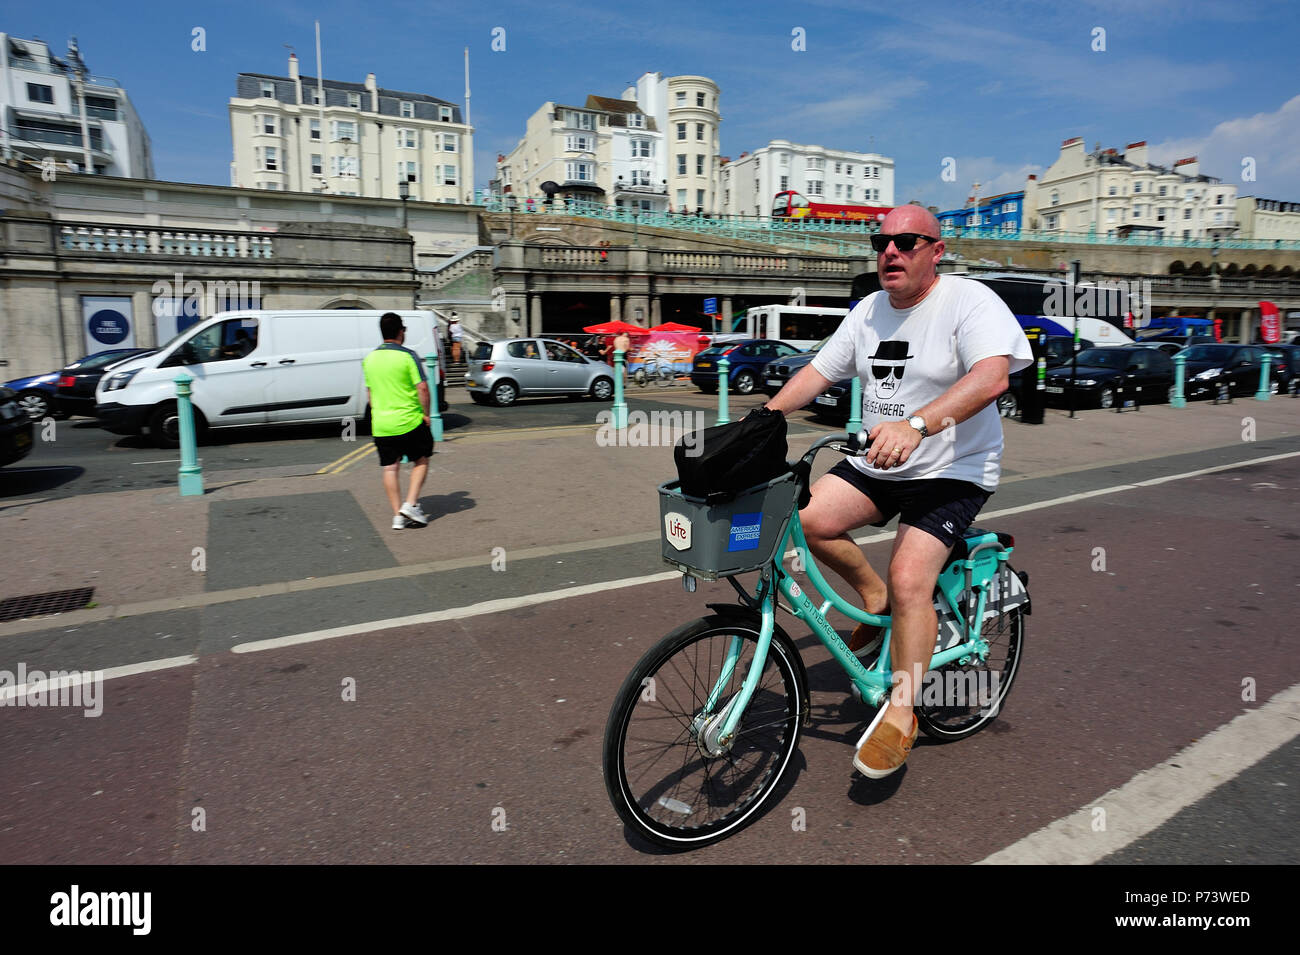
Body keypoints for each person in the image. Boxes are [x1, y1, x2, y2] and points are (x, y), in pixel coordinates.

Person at [763, 205, 1031, 779]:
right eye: (881, 241)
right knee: (806, 521)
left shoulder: (968, 301)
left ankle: (902, 711)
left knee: (914, 577)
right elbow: (818, 373)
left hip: (953, 466)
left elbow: (993, 377)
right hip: (882, 461)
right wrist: (762, 418)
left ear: (937, 250)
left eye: (907, 241)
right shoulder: (867, 311)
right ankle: (872, 594)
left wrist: (917, 426)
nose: (891, 251)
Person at [362, 312, 433, 530]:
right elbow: (422, 388)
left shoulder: (369, 359)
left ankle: (397, 517)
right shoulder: (408, 356)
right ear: (401, 331)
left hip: (382, 424)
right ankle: (411, 503)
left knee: (390, 469)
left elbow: (370, 395)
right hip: (410, 421)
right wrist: (426, 414)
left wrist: (381, 413)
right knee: (422, 459)